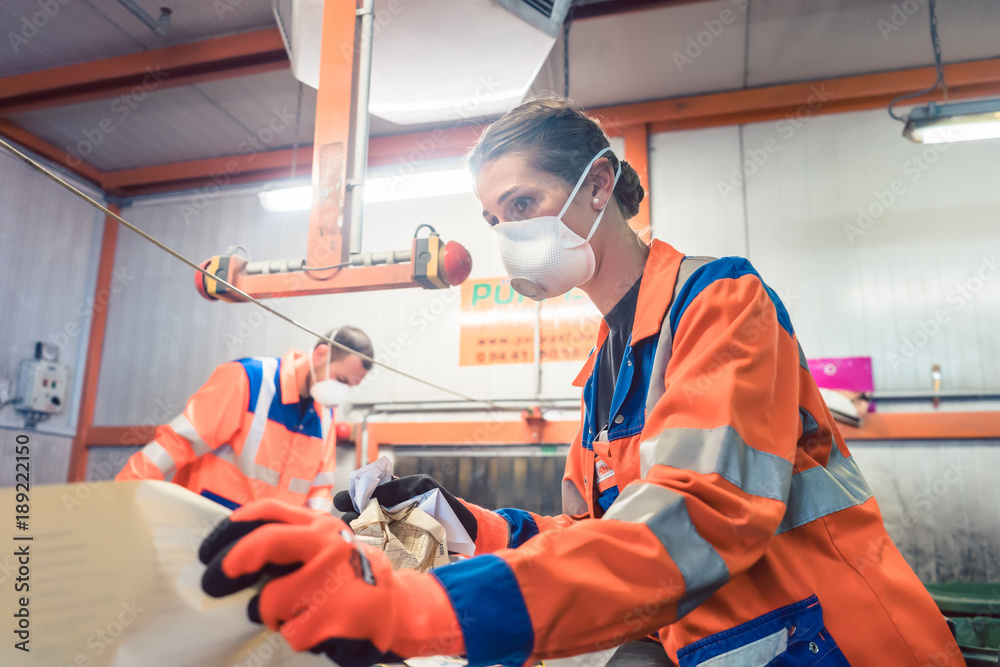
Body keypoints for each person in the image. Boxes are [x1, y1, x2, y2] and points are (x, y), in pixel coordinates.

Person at [197, 97, 964, 667]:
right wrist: (458, 523)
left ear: (598, 185)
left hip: (851, 645)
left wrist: (414, 605)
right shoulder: (605, 369)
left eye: (522, 204)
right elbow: (593, 536)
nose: (506, 235)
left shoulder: (723, 301)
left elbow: (695, 518)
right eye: (494, 217)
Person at [117, 327, 372, 513]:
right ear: (320, 355)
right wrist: (123, 494)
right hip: (206, 525)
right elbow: (178, 442)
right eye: (341, 380)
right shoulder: (248, 379)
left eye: (350, 386)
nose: (341, 392)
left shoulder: (325, 414)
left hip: (267, 546)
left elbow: (319, 488)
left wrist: (316, 536)